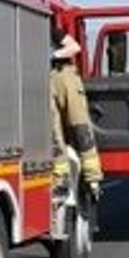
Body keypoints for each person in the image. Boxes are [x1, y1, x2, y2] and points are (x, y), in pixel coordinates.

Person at [50, 30, 103, 205]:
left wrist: (53, 54)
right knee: (53, 134)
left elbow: (74, 47)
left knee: (79, 126)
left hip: (63, 75)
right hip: (44, 78)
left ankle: (92, 178)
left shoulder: (51, 29)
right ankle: (61, 181)